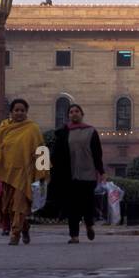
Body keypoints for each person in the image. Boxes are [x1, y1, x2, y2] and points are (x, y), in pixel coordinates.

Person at [0, 98, 49, 245]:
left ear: (26, 112)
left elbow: (41, 149)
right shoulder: (3, 128)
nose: (19, 113)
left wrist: (42, 173)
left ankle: (15, 234)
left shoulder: (32, 128)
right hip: (7, 174)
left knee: (19, 206)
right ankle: (24, 227)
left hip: (24, 173)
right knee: (8, 208)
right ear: (11, 112)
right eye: (16, 110)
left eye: (22, 110)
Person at [50, 104, 105, 243]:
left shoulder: (91, 131)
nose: (74, 114)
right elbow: (56, 154)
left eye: (77, 111)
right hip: (70, 174)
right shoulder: (63, 132)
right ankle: (74, 236)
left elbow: (97, 153)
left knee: (87, 202)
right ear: (68, 115)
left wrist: (101, 171)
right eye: (71, 112)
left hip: (88, 173)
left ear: (82, 114)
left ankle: (89, 225)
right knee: (72, 205)